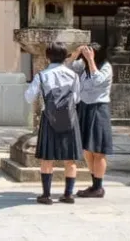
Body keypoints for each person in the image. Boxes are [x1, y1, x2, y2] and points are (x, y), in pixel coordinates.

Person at [25, 42, 82, 205]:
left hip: (49, 118)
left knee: (47, 158)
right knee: (70, 159)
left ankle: (46, 195)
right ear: (65, 57)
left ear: (47, 57)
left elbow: (29, 97)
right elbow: (77, 99)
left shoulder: (42, 75)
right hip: (70, 118)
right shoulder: (73, 75)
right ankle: (68, 195)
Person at [68, 43, 113, 198]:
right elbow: (67, 70)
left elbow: (97, 80)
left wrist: (91, 60)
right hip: (84, 108)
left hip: (99, 108)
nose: (86, 55)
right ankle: (94, 184)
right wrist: (76, 53)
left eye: (90, 53)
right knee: (87, 149)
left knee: (98, 150)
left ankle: (98, 187)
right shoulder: (83, 66)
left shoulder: (106, 67)